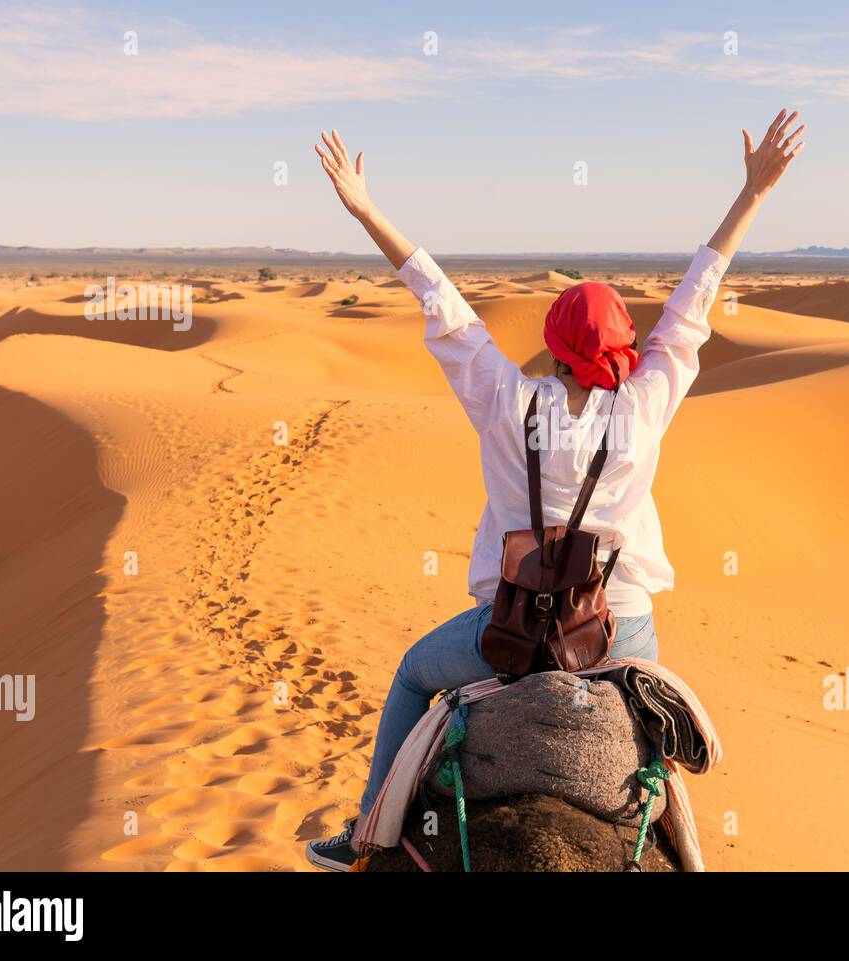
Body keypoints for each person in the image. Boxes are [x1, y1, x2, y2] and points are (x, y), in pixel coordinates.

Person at [306, 109, 806, 870]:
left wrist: (366, 207)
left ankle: (367, 834)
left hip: (507, 637)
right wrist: (753, 194)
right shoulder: (643, 407)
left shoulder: (506, 400)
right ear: (620, 350)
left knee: (413, 673)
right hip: (619, 635)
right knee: (656, 764)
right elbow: (694, 304)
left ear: (557, 348)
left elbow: (442, 304)